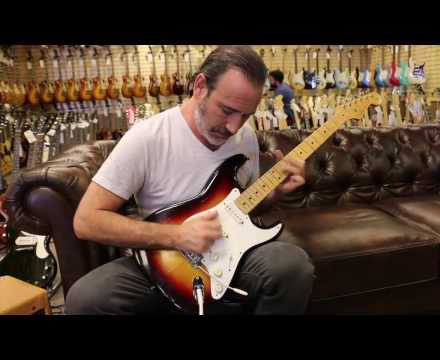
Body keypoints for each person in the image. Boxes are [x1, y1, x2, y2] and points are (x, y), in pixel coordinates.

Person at [66, 46, 315, 315]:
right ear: (199, 87)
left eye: (246, 115)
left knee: (292, 265)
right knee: (86, 298)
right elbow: (86, 221)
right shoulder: (147, 137)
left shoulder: (245, 139)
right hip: (164, 261)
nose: (234, 127)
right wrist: (177, 235)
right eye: (227, 110)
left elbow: (240, 211)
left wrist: (275, 193)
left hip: (229, 255)